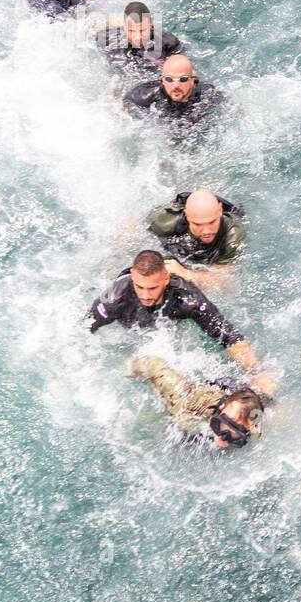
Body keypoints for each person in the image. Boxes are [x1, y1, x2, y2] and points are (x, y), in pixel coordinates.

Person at [87, 249, 272, 382]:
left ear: (166, 279)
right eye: (140, 287)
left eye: (152, 288)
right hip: (129, 321)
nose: (145, 295)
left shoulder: (185, 297)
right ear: (133, 276)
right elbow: (84, 329)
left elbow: (228, 335)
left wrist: (258, 373)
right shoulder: (115, 298)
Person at [128, 354, 271, 448]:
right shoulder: (190, 402)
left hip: (229, 394)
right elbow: (183, 422)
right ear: (221, 409)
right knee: (156, 370)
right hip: (186, 398)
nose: (224, 435)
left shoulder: (255, 425)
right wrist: (209, 432)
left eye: (237, 432)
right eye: (222, 422)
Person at [148, 188, 245, 289]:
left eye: (212, 222)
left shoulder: (232, 233)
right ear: (187, 215)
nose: (206, 231)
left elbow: (221, 281)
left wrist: (186, 274)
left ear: (220, 210)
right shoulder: (165, 223)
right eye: (198, 224)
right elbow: (138, 224)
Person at [123, 55, 223, 128]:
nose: (175, 85)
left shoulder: (208, 95)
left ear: (193, 80)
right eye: (169, 79)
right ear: (162, 80)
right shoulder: (146, 95)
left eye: (183, 79)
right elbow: (124, 102)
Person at [96, 2, 182, 76]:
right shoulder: (106, 39)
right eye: (132, 31)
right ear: (124, 25)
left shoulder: (168, 42)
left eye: (142, 30)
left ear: (151, 23)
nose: (137, 37)